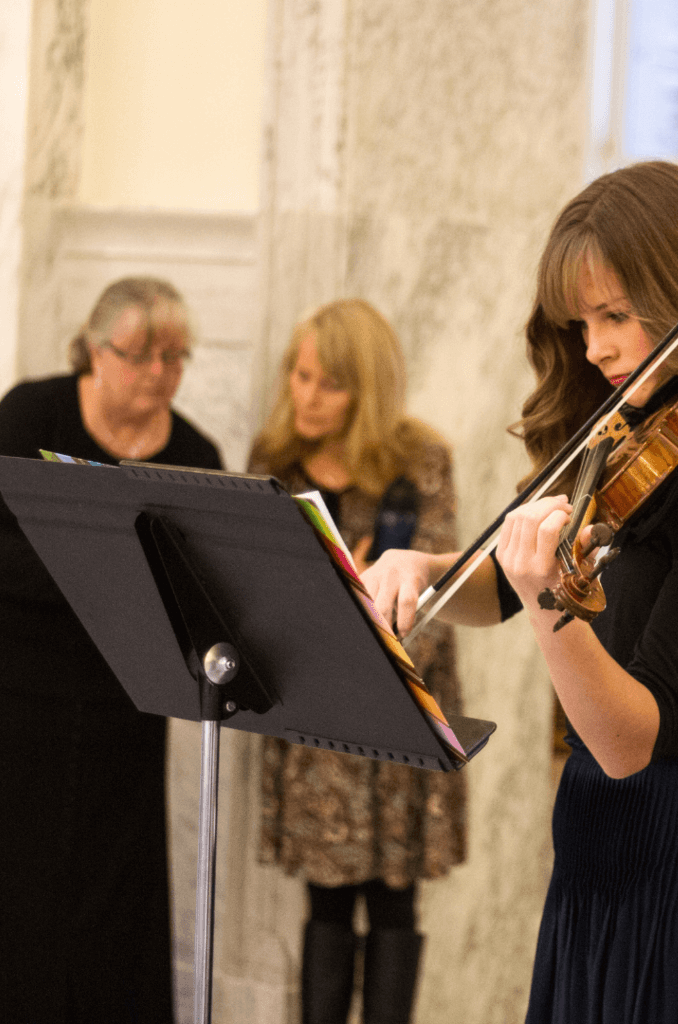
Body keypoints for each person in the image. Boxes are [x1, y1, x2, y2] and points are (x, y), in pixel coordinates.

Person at [364, 161, 678, 1024]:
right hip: (599, 868)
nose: (594, 346)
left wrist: (552, 605)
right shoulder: (631, 435)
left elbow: (630, 738)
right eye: (580, 321)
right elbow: (509, 583)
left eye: (616, 315)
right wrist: (427, 567)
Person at [0, 277, 222, 1023]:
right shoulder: (30, 413)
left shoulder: (195, 450)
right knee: (0, 894)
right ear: (94, 350)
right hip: (3, 704)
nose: (157, 375)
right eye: (139, 355)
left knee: (112, 904)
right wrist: (96, 567)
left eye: (174, 358)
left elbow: (196, 584)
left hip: (120, 713)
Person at [248, 297, 467, 1024]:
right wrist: (347, 605)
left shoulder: (420, 462)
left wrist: (352, 608)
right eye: (299, 374)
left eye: (328, 383)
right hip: (315, 718)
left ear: (366, 391)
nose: (305, 396)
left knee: (395, 899)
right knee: (326, 900)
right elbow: (258, 595)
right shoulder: (273, 462)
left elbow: (434, 608)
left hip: (395, 713)